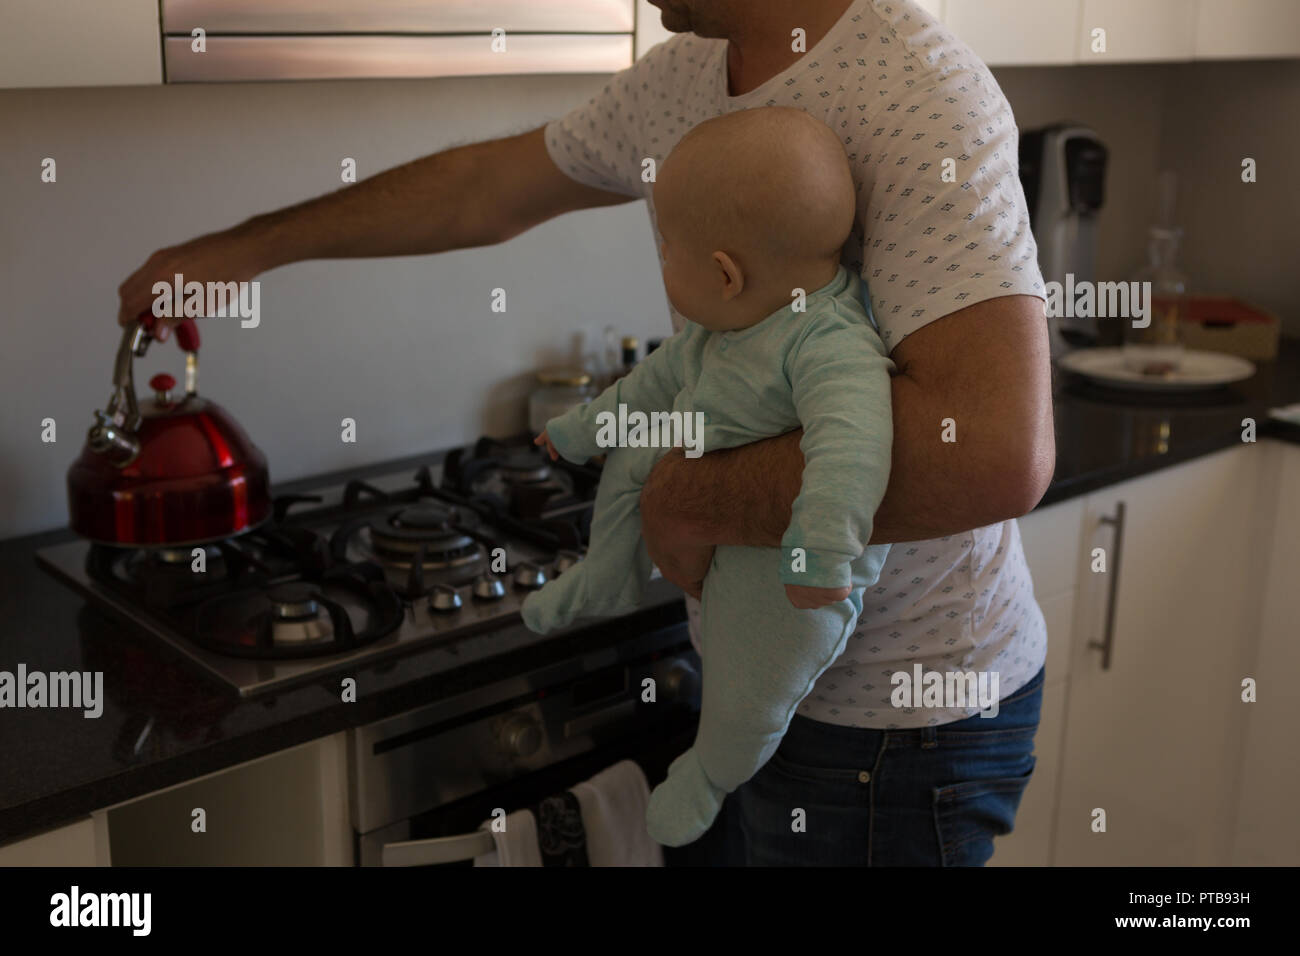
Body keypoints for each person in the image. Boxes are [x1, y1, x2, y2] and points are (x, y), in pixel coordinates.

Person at [116, 0, 1055, 866]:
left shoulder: (922, 93)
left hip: (894, 729)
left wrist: (688, 496)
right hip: (745, 666)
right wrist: (236, 252)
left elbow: (995, 451)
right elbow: (485, 186)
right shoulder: (687, 73)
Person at [524, 107, 895, 847]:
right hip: (706, 501)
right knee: (636, 453)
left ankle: (711, 771)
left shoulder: (830, 342)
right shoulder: (717, 331)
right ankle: (605, 576)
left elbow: (854, 446)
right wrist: (576, 430)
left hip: (783, 569)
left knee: (756, 683)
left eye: (666, 250)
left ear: (724, 272)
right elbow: (644, 389)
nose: (661, 264)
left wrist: (822, 550)